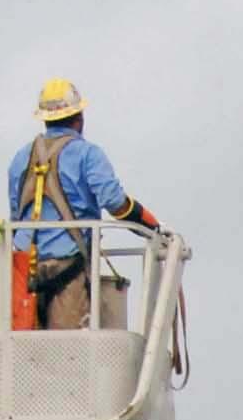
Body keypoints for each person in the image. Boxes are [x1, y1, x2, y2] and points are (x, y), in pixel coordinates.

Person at [8, 77, 162, 330]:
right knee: (69, 350)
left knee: (26, 349)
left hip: (24, 271)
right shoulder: (88, 154)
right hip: (68, 269)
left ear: (44, 119)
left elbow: (16, 217)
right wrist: (151, 225)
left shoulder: (20, 159)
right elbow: (116, 203)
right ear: (79, 118)